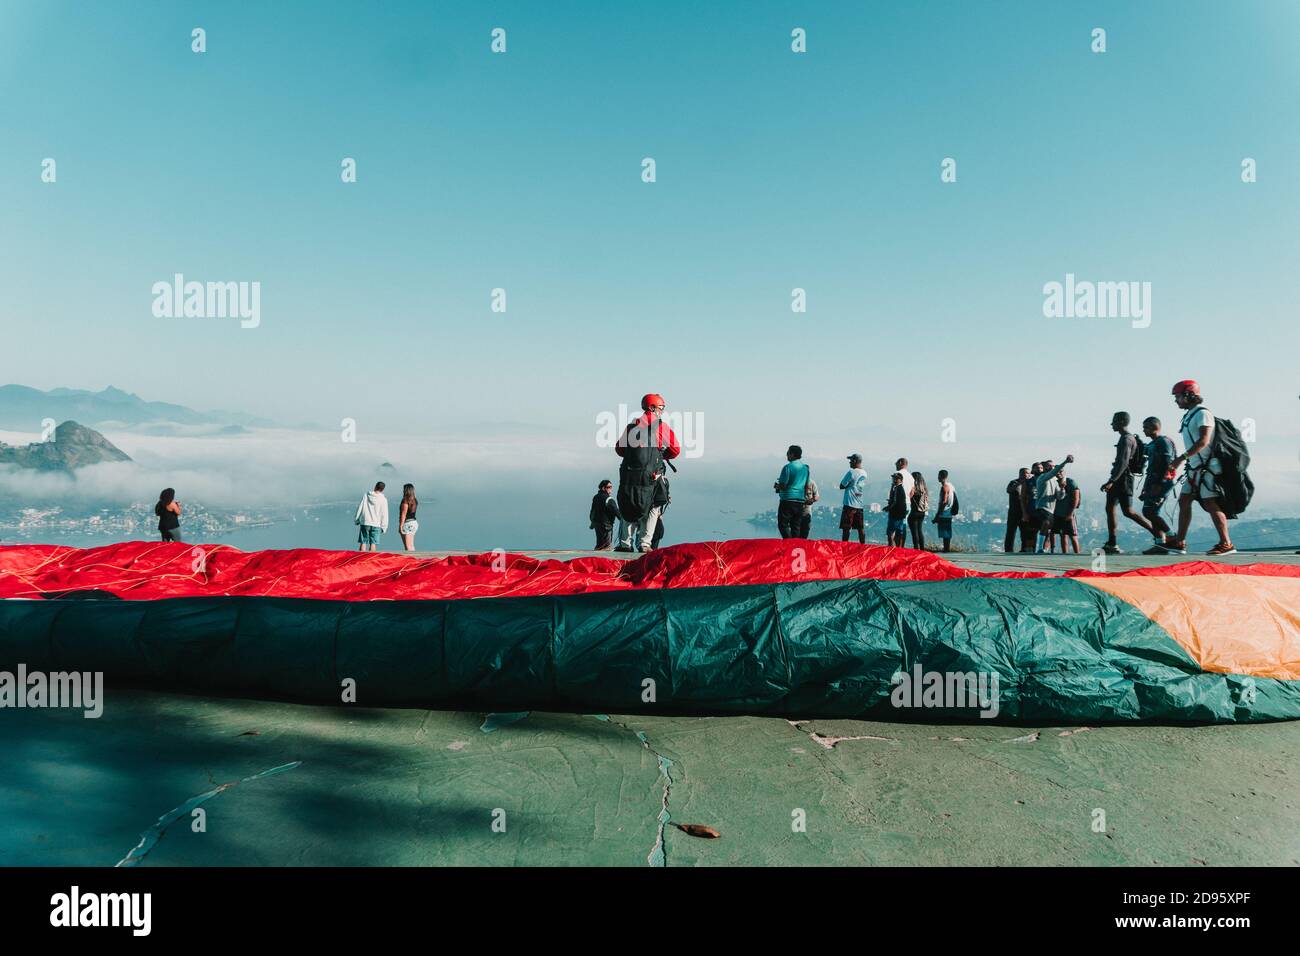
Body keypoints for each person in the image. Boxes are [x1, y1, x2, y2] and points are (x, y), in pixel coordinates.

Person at [1159, 380, 1235, 556]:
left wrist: (1180, 459)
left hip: (1207, 468)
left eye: (1178, 396)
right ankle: (1180, 542)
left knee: (1210, 503)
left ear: (1188, 395)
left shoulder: (1202, 414)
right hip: (1196, 468)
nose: (1176, 400)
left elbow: (1203, 441)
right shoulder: (1190, 415)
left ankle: (1226, 543)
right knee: (1185, 500)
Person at [615, 393, 680, 552]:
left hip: (629, 475)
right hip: (652, 475)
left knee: (627, 503)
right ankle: (644, 543)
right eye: (661, 407)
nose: (662, 411)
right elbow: (675, 450)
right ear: (653, 407)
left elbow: (619, 449)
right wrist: (660, 455)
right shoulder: (661, 427)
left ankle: (625, 544)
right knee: (654, 506)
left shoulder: (631, 426)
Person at [1100, 412, 1156, 554]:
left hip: (1123, 479)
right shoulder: (1127, 438)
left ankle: (1157, 533)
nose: (1111, 424)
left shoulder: (1126, 439)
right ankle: (1112, 542)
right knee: (1111, 508)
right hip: (1121, 478)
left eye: (1114, 421)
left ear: (1121, 422)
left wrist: (1111, 481)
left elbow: (1123, 462)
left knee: (1128, 511)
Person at [1138, 417, 1178, 555]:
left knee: (1150, 512)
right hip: (1152, 482)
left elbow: (1166, 464)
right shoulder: (1152, 444)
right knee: (1151, 512)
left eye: (1146, 427)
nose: (1144, 429)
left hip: (1162, 483)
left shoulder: (1163, 442)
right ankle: (1160, 544)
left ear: (1154, 427)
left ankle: (1172, 536)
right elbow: (1150, 467)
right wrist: (1145, 488)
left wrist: (1159, 484)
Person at [1032, 457, 1073, 553]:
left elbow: (1059, 496)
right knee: (1045, 523)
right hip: (1042, 507)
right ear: (1045, 467)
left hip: (1051, 509)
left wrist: (1062, 488)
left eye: (1053, 466)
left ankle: (1043, 548)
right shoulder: (1042, 477)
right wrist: (1065, 461)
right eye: (1049, 466)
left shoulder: (1054, 480)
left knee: (1048, 530)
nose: (1052, 467)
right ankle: (1040, 548)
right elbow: (1054, 472)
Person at [774, 445, 810, 539]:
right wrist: (804, 497)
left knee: (783, 524)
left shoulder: (787, 467)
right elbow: (806, 485)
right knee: (796, 526)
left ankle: (789, 544)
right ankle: (795, 547)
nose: (786, 454)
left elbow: (783, 485)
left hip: (787, 500)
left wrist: (777, 486)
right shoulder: (805, 469)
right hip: (800, 501)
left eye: (788, 452)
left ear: (792, 454)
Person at [838, 454, 868, 544]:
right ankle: (863, 546)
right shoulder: (864, 473)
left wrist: (848, 485)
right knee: (860, 528)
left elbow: (842, 485)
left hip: (849, 503)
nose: (850, 462)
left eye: (851, 460)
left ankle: (844, 546)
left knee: (846, 527)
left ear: (855, 461)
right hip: (859, 504)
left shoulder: (851, 472)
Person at [1052, 467, 1081, 554]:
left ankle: (1077, 554)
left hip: (1068, 513)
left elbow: (1076, 497)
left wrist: (1070, 513)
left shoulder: (1070, 482)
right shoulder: (1053, 482)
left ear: (1064, 472)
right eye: (1057, 472)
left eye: (1061, 471)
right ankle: (1065, 554)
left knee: (1073, 535)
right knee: (1062, 535)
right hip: (1057, 513)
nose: (1059, 473)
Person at [355, 481, 389, 552]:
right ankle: (370, 561)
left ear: (375, 486)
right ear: (382, 489)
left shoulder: (366, 495)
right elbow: (384, 514)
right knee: (373, 544)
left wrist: (357, 519)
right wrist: (384, 527)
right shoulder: (383, 499)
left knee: (363, 542)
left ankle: (361, 560)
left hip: (365, 522)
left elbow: (360, 507)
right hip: (376, 524)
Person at [589, 479, 619, 550]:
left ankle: (596, 559)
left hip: (596, 524)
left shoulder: (595, 497)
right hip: (606, 526)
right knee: (606, 547)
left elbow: (592, 510)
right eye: (609, 487)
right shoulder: (608, 499)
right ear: (603, 488)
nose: (611, 489)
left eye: (611, 487)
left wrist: (592, 521)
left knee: (599, 545)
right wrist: (622, 519)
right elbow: (616, 511)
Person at [1019, 463, 1043, 552]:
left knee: (1045, 532)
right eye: (1037, 468)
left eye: (1041, 468)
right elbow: (1023, 498)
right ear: (1032, 470)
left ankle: (1043, 550)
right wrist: (1025, 513)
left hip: (1043, 511)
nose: (1039, 469)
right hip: (1032, 511)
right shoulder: (1028, 482)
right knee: (1031, 533)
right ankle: (1029, 550)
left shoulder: (1046, 481)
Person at [1004, 468, 1028, 553]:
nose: (1025, 475)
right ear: (1020, 474)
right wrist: (1018, 484)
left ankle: (1024, 549)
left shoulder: (1030, 483)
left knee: (1024, 532)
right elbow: (1009, 490)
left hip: (1024, 512)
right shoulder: (1013, 482)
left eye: (1027, 473)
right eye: (1023, 473)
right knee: (1011, 531)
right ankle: (1008, 549)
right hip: (1014, 511)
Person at [932, 470, 956, 552]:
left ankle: (946, 549)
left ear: (941, 477)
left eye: (938, 476)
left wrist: (938, 514)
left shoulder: (944, 487)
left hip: (944, 512)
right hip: (949, 511)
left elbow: (944, 501)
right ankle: (947, 548)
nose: (937, 477)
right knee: (947, 532)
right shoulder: (951, 486)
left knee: (945, 532)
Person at [884, 472, 908, 546]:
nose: (894, 480)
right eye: (894, 478)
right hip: (901, 514)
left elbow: (895, 501)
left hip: (895, 514)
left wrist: (888, 508)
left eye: (896, 478)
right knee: (899, 533)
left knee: (890, 532)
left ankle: (890, 548)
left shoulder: (898, 488)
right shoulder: (899, 488)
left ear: (901, 480)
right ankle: (898, 548)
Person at [908, 472, 929, 550]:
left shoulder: (913, 488)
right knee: (920, 530)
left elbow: (909, 497)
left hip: (914, 512)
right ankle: (922, 549)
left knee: (914, 532)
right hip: (922, 512)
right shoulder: (924, 489)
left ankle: (916, 548)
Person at [397, 483, 419, 552]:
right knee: (411, 545)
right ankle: (414, 560)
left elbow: (403, 514)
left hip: (408, 524)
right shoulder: (414, 500)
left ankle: (411, 561)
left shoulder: (406, 501)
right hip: (414, 523)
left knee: (408, 547)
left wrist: (400, 526)